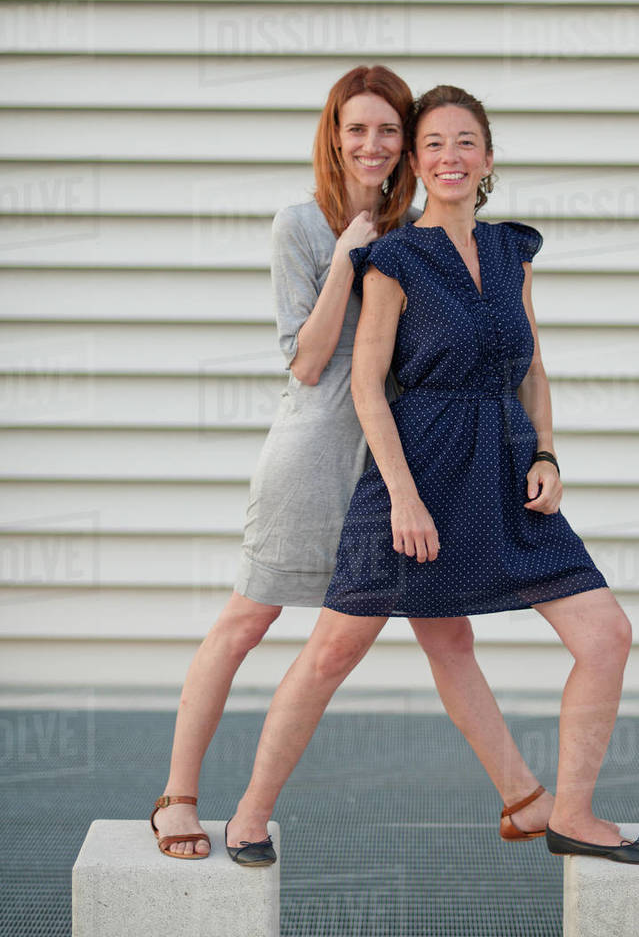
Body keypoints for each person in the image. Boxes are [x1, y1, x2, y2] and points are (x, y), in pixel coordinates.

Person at [223, 83, 639, 867]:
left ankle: (570, 813)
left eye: (464, 142)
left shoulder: (511, 251)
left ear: (487, 158)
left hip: (503, 467)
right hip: (415, 472)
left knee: (606, 635)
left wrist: (548, 452)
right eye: (433, 145)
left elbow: (533, 367)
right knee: (332, 651)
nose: (449, 157)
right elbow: (364, 383)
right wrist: (401, 496)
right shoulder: (391, 257)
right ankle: (249, 816)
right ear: (414, 165)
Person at [150, 68, 560, 864]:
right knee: (248, 619)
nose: (373, 145)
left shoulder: (426, 227)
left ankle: (524, 798)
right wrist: (347, 257)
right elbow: (304, 364)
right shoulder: (299, 225)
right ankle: (180, 795)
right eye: (356, 129)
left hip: (405, 464)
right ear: (333, 137)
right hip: (316, 455)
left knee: (447, 635)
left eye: (388, 131)